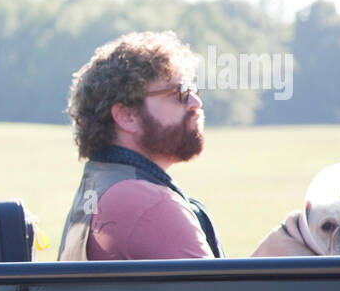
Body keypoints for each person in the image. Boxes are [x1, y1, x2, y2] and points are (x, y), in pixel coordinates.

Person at [57, 31, 224, 261]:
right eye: (179, 93)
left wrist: (279, 242)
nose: (195, 102)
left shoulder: (101, 183)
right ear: (127, 116)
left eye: (192, 89)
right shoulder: (146, 203)